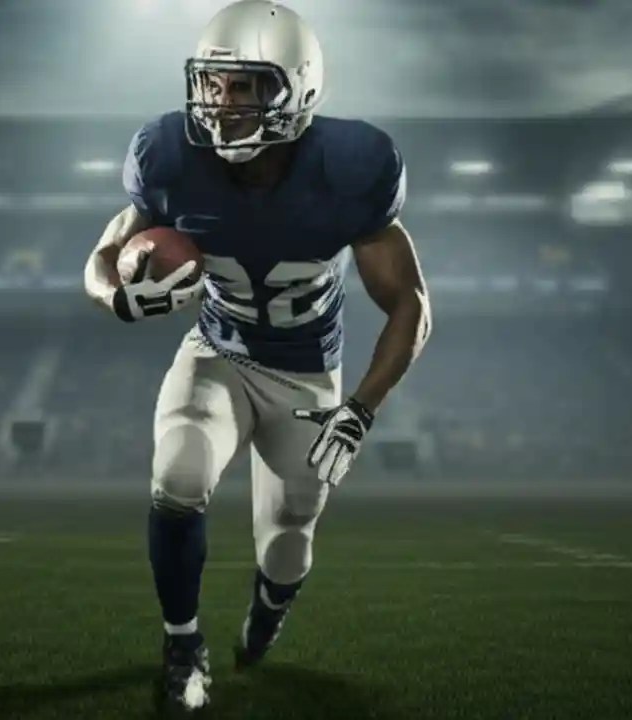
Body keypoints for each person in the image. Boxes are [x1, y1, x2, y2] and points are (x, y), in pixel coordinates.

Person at [82, 0, 431, 712]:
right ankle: (183, 645)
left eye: (247, 86)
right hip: (219, 349)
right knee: (177, 473)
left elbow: (410, 304)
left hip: (307, 373)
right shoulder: (168, 155)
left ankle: (267, 613)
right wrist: (117, 298)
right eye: (213, 84)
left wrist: (360, 411)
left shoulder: (353, 166)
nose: (223, 104)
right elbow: (104, 257)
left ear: (298, 90)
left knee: (288, 538)